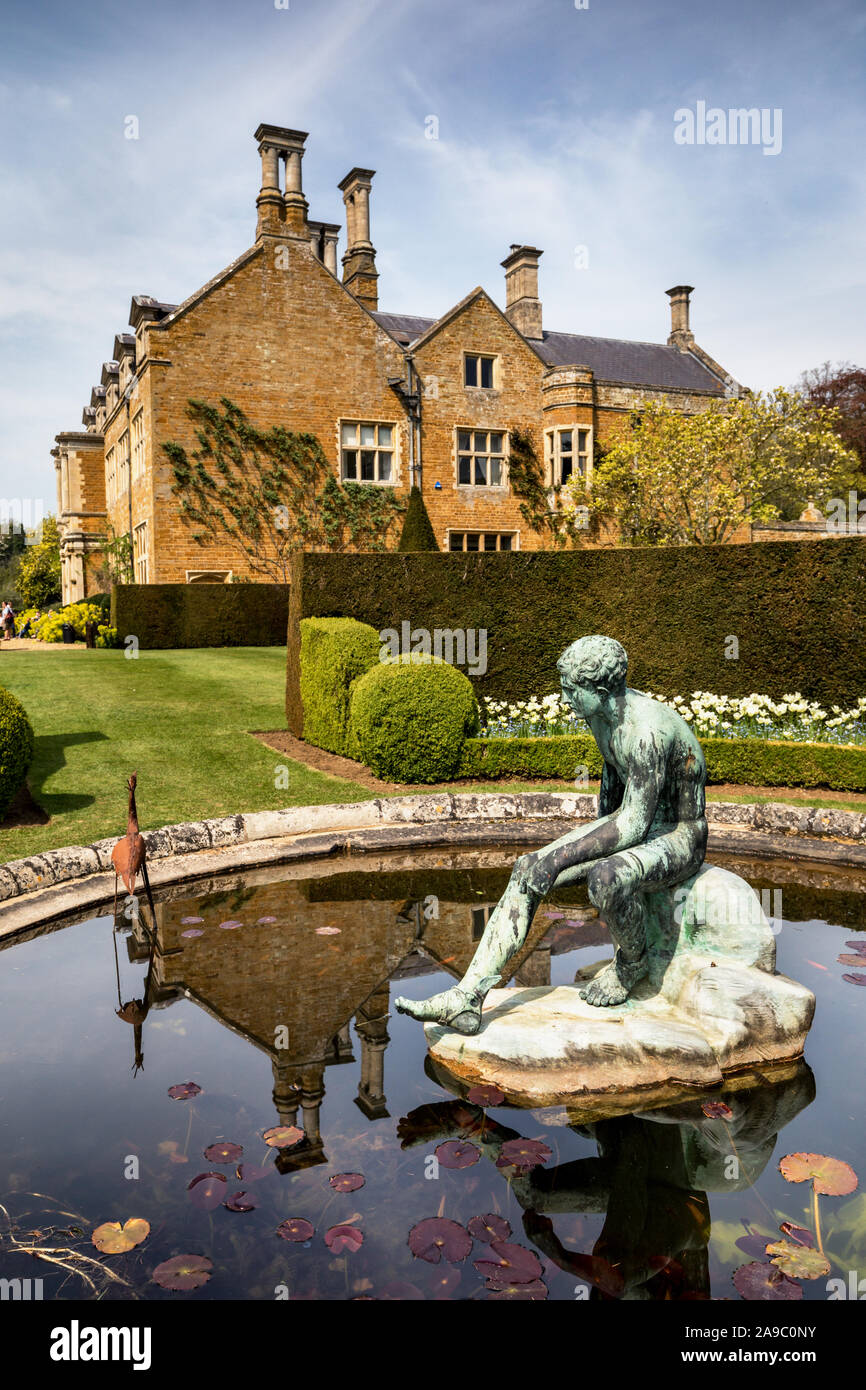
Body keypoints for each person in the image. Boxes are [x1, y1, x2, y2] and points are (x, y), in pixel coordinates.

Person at [395, 634, 708, 1033]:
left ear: (599, 690)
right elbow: (611, 802)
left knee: (605, 877)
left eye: (571, 691)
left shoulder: (647, 731)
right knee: (527, 869)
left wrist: (564, 857)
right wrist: (558, 856)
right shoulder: (602, 716)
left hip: (679, 835)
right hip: (638, 822)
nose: (565, 700)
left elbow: (633, 824)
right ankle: (466, 997)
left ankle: (633, 964)